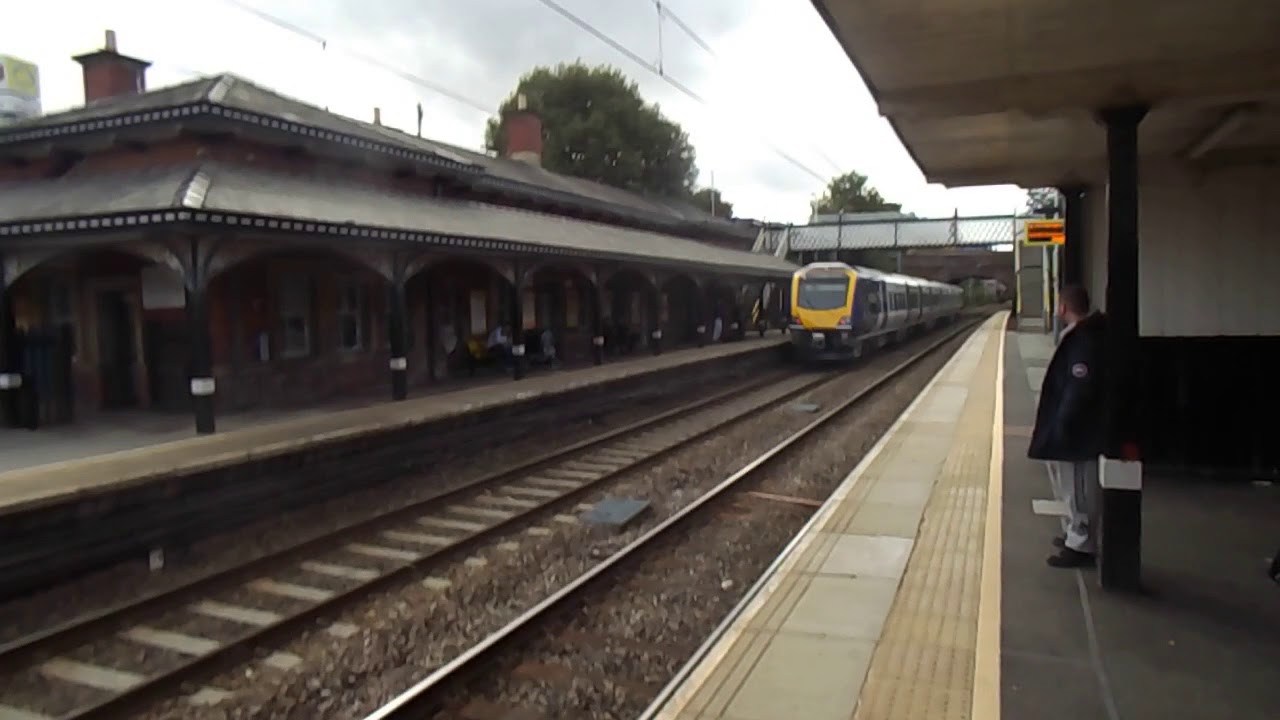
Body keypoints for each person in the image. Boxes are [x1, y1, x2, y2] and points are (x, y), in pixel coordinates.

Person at [1028, 285, 1107, 569]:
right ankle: (1075, 535)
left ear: (1063, 307)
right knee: (1071, 488)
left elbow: (1078, 387)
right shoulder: (1084, 336)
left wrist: (1063, 422)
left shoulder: (1083, 340)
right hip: (1075, 428)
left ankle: (1081, 545)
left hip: (1078, 431)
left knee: (1078, 489)